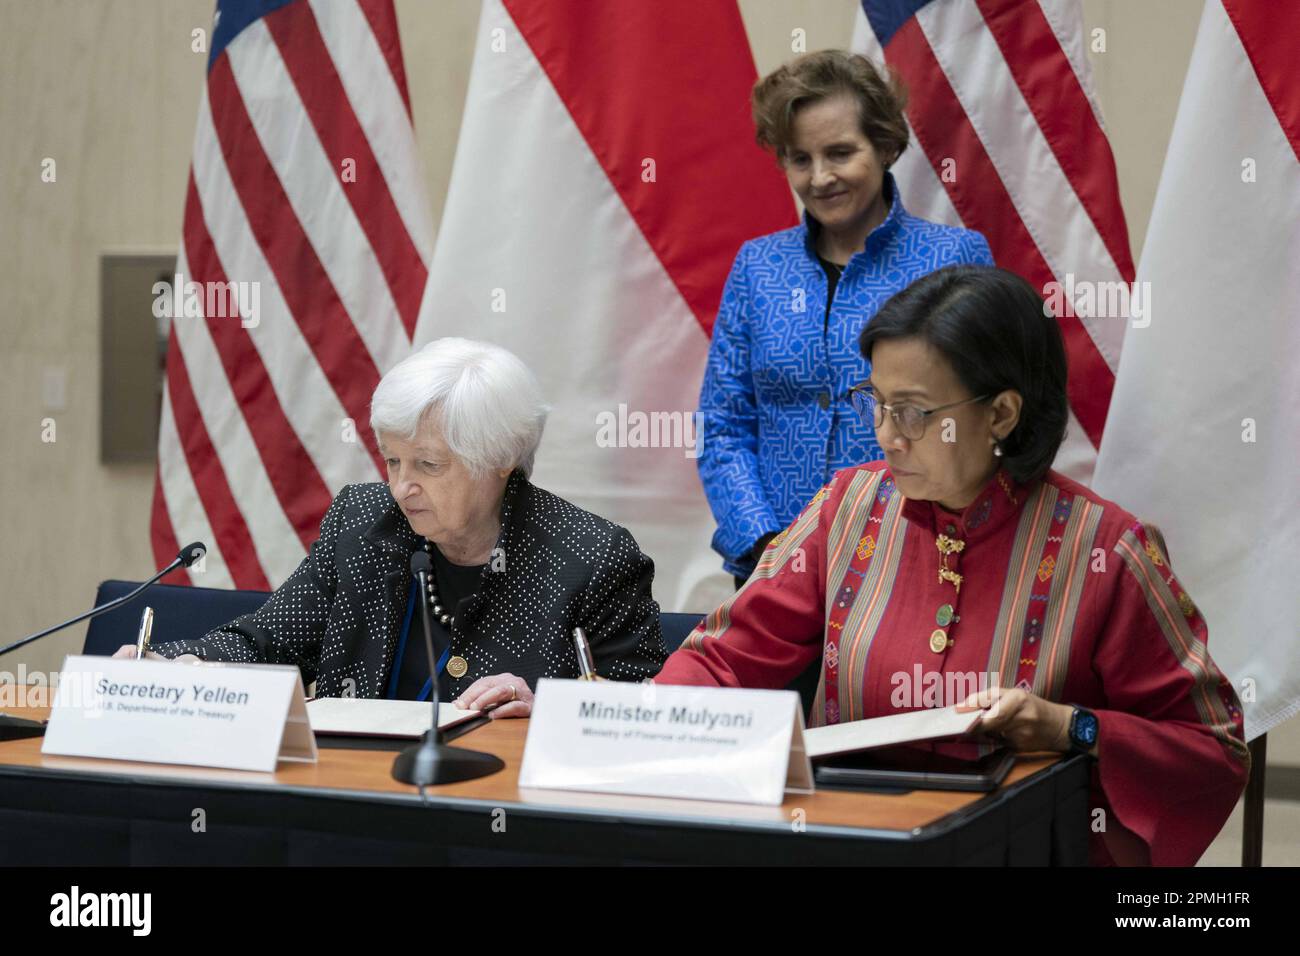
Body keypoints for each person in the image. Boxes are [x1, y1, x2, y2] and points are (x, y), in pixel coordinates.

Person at [659, 266, 1249, 865]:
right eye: (876, 404)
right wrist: (632, 724)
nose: (887, 437)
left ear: (1001, 414)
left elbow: (1212, 749)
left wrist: (1073, 727)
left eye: (913, 413)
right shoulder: (848, 510)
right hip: (849, 843)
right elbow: (723, 660)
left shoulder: (1107, 550)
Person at [116, 338, 668, 717]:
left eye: (428, 465)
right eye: (391, 461)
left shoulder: (592, 557)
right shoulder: (364, 523)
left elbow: (640, 710)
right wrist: (180, 663)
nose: (402, 487)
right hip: (352, 802)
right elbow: (267, 643)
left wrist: (547, 705)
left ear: (500, 460)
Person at [699, 49, 994, 586]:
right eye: (799, 158)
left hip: (916, 566)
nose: (820, 177)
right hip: (773, 570)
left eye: (839, 152)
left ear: (884, 146)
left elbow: (975, 423)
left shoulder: (953, 259)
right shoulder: (758, 265)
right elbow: (723, 428)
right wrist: (768, 541)